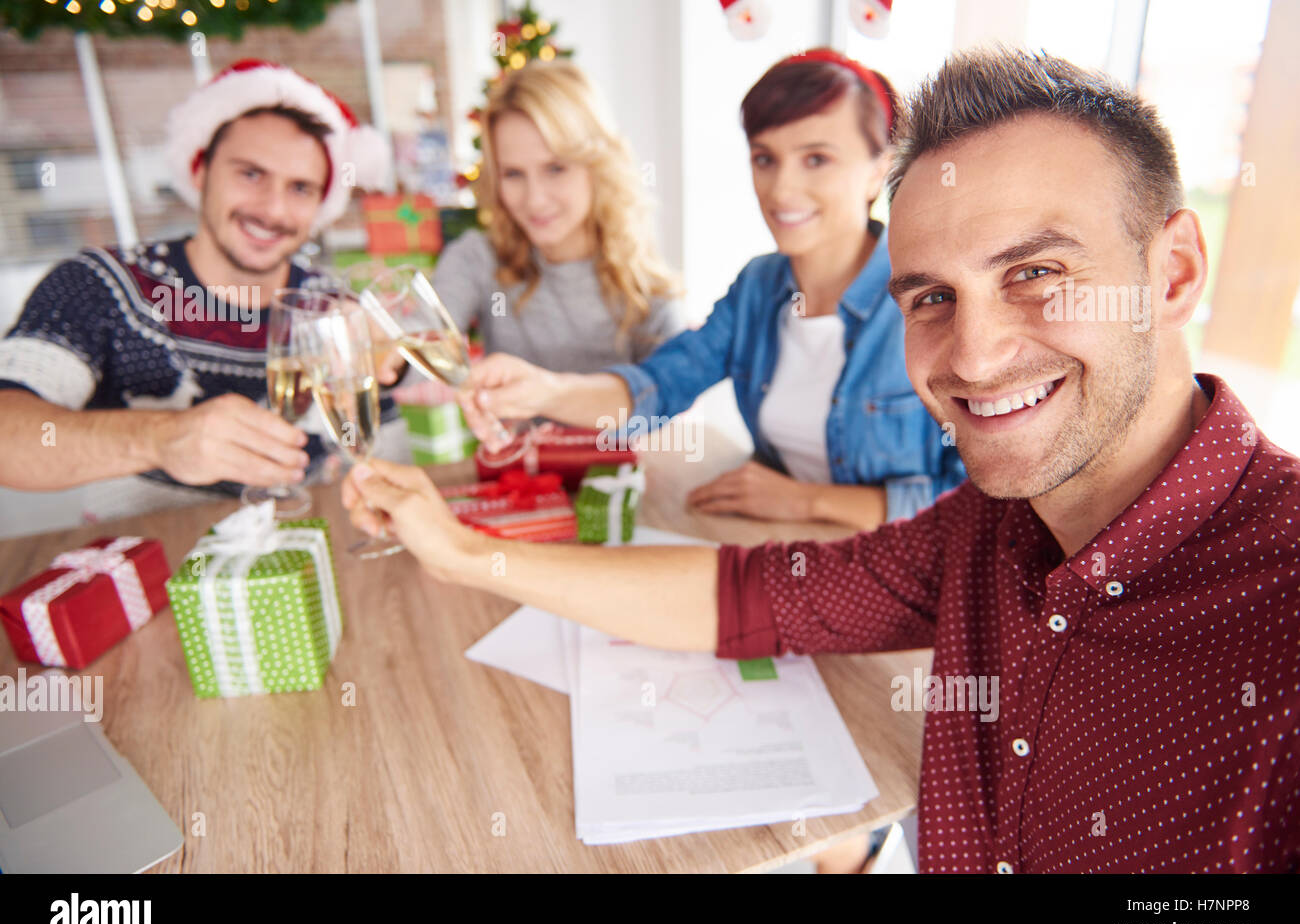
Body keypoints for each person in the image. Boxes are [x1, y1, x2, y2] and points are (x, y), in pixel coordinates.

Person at [341, 48, 1300, 873]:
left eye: (1037, 273)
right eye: (929, 298)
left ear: (1170, 273)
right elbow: (743, 594)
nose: (971, 354)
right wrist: (464, 552)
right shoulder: (985, 527)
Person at [459, 49, 966, 529]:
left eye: (816, 159)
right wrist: (543, 391)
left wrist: (806, 501)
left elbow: (978, 502)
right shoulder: (758, 288)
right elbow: (655, 390)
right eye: (765, 159)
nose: (781, 189)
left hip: (905, 571)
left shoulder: (930, 301)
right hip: (787, 552)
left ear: (880, 168)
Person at [0, 60, 404, 522]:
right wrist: (158, 438)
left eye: (300, 188)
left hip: (303, 560)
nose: (273, 209)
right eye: (250, 174)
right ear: (199, 171)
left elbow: (384, 459)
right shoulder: (101, 285)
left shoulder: (336, 311)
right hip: (151, 573)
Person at [430, 60, 683, 374]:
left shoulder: (646, 290)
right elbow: (426, 334)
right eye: (513, 174)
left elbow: (675, 406)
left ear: (597, 166)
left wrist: (550, 395)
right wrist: (391, 353)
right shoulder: (478, 260)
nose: (535, 200)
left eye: (555, 168)